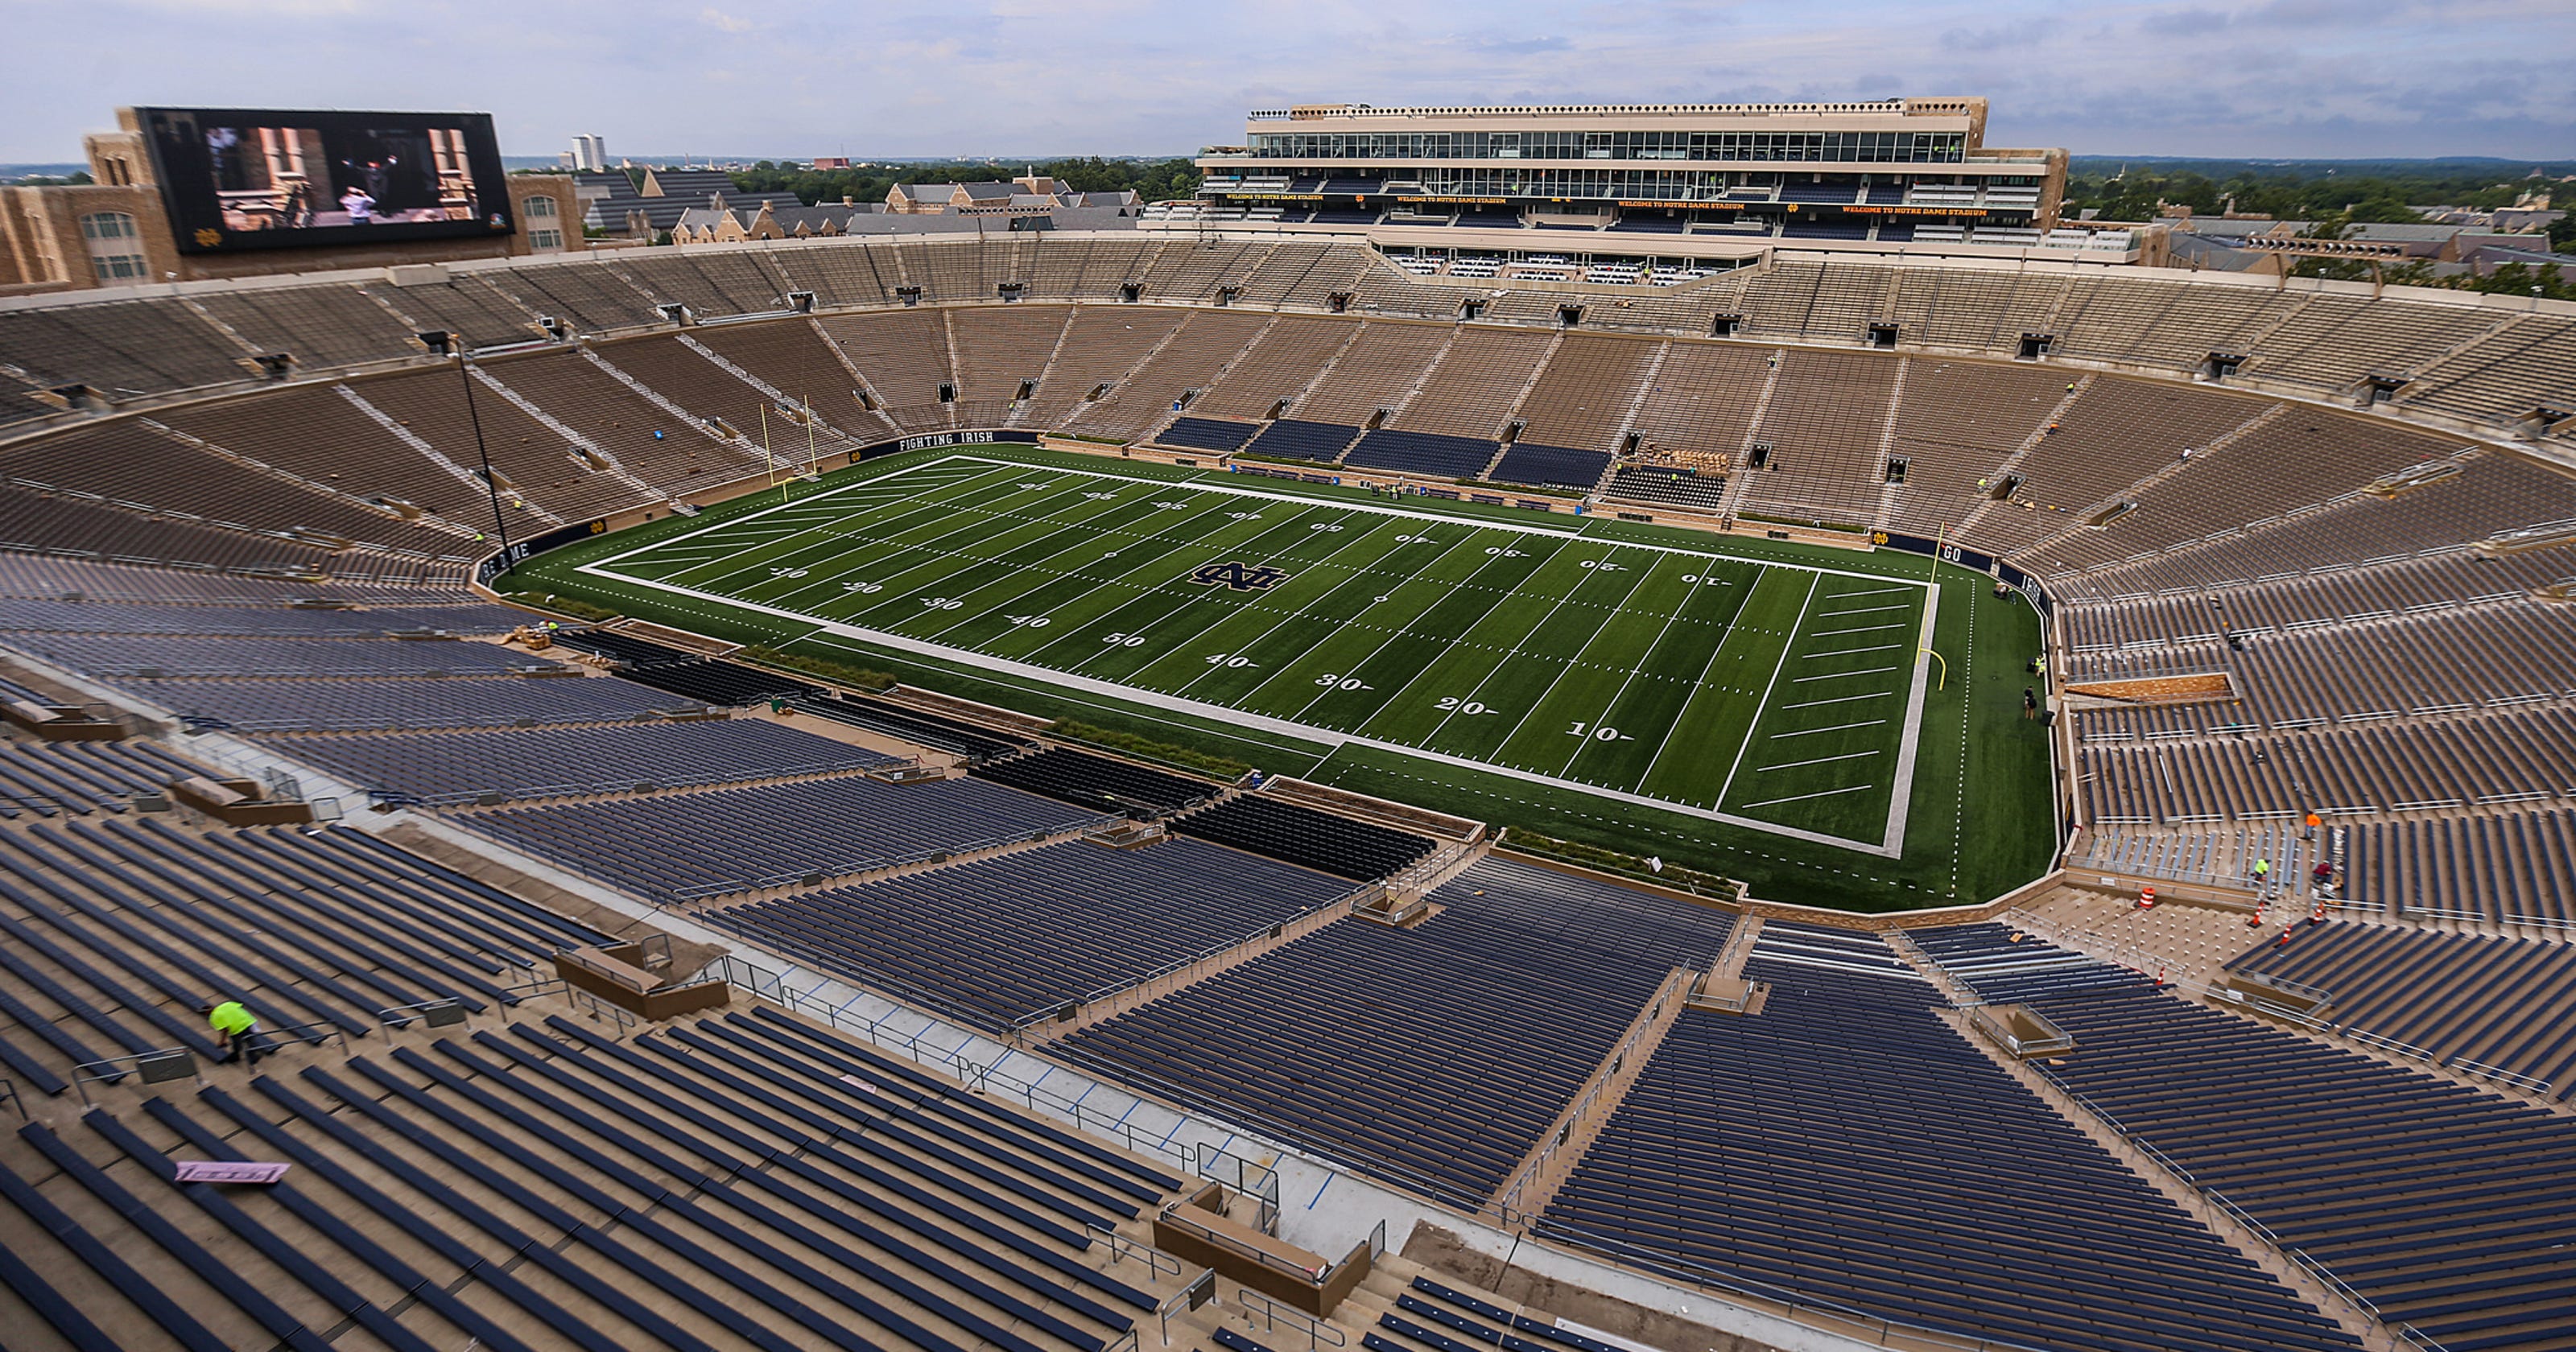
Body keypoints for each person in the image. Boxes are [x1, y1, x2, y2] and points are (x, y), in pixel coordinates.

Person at [200, 998, 265, 1065]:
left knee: (239, 1042)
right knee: (250, 1039)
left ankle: (247, 1055)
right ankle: (247, 1054)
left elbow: (225, 1030)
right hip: (249, 1021)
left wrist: (222, 1041)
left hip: (237, 1029)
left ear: (206, 1013)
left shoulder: (214, 1017)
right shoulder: (227, 1004)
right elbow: (240, 1005)